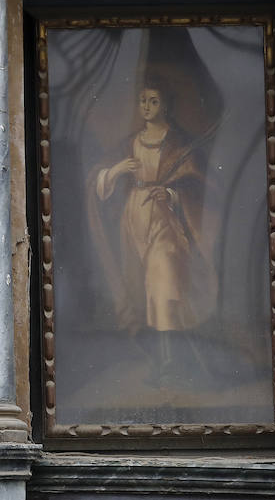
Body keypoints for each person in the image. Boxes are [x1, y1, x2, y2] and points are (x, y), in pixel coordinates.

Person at [93, 79, 213, 382]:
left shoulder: (179, 143)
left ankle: (170, 362)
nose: (146, 106)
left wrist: (172, 195)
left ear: (167, 106)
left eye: (154, 100)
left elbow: (197, 183)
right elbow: (99, 181)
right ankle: (161, 357)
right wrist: (117, 170)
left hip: (165, 219)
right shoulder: (130, 142)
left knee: (164, 280)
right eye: (143, 100)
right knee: (143, 286)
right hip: (134, 219)